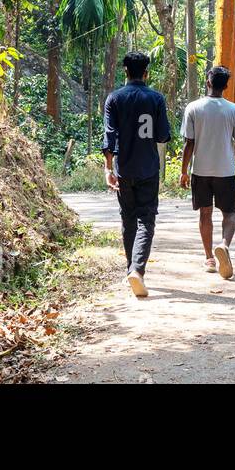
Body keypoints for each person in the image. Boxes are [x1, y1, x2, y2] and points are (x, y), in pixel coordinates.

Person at [102, 51, 172, 298]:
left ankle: (130, 269)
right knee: (146, 219)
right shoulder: (156, 98)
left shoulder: (114, 98)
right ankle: (137, 270)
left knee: (128, 218)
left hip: (124, 168)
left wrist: (108, 168)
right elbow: (163, 135)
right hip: (149, 168)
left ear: (125, 72)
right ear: (146, 72)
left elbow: (109, 136)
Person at [179, 65, 235, 279]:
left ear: (208, 83)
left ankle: (209, 257)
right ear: (226, 86)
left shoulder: (193, 108)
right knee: (230, 214)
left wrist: (184, 171)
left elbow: (189, 143)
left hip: (201, 170)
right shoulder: (234, 110)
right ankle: (224, 245)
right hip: (225, 171)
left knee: (205, 213)